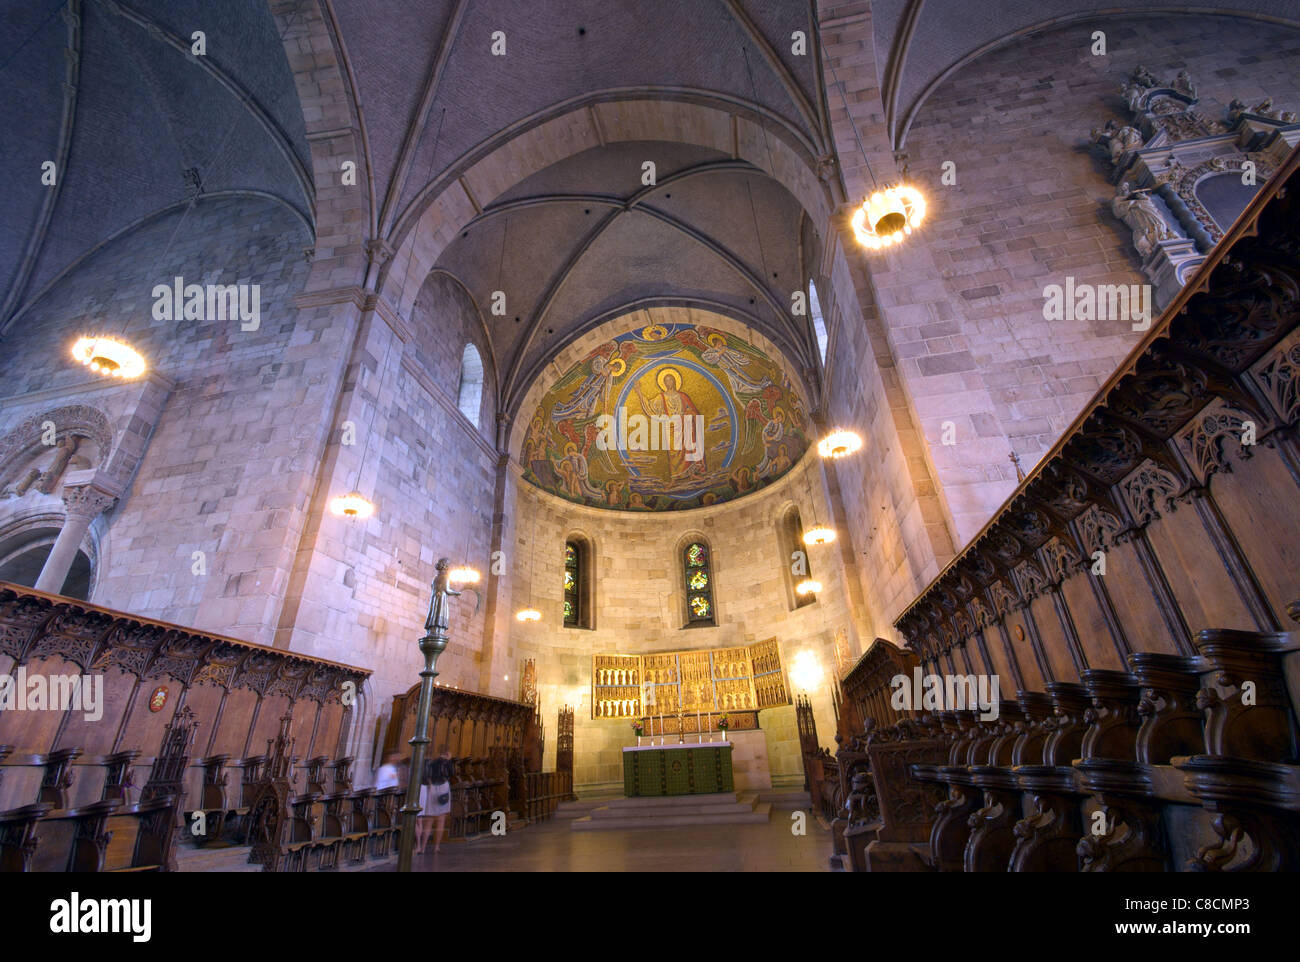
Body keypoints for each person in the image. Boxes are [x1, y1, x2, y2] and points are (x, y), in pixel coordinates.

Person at [417, 747, 454, 855]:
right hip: (443, 787)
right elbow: (452, 773)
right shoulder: (446, 762)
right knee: (440, 820)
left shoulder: (430, 762)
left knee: (428, 820)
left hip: (432, 787)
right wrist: (449, 760)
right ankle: (436, 847)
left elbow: (426, 775)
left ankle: (422, 847)